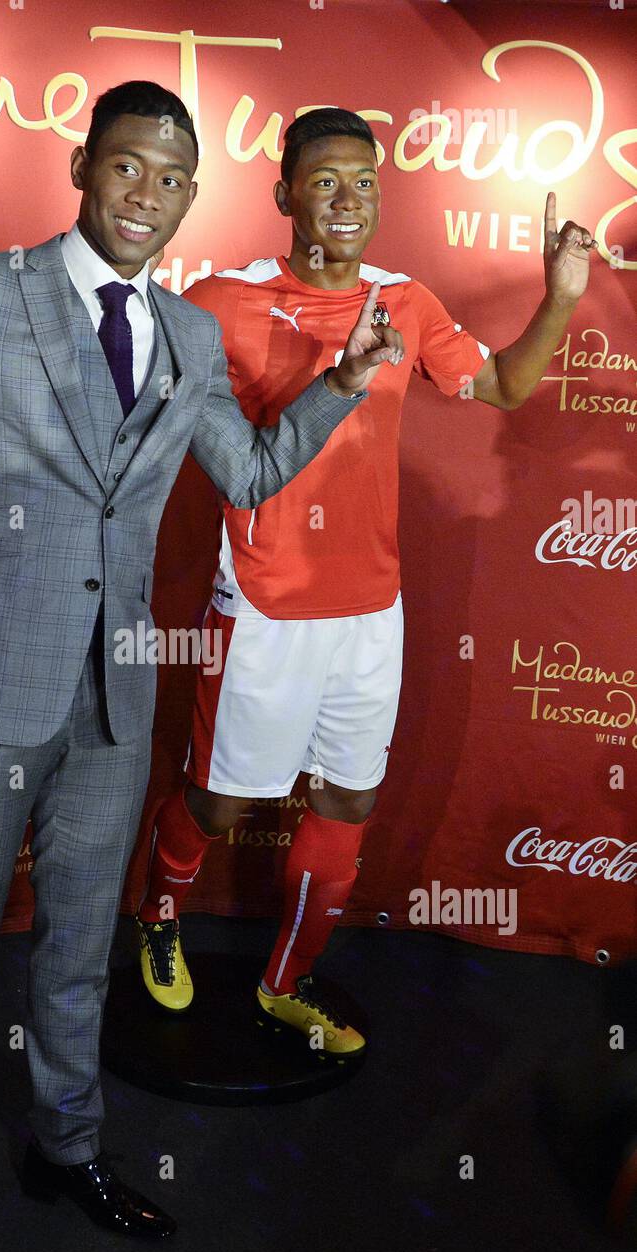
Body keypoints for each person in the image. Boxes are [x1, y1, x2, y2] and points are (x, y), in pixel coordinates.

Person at [0, 83, 402, 1252]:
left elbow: (253, 471)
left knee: (78, 950)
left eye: (172, 181)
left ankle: (67, 1147)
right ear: (80, 165)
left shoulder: (184, 335)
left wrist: (339, 382)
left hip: (118, 696)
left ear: (190, 198)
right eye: (127, 168)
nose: (148, 197)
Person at [134, 107, 596, 1052]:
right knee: (221, 802)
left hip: (370, 610)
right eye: (325, 181)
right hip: (263, 605)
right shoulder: (220, 301)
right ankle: (157, 914)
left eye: (364, 181)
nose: (349, 201)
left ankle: (287, 982)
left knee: (348, 800)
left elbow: (503, 387)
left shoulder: (406, 301)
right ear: (283, 197)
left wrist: (559, 296)